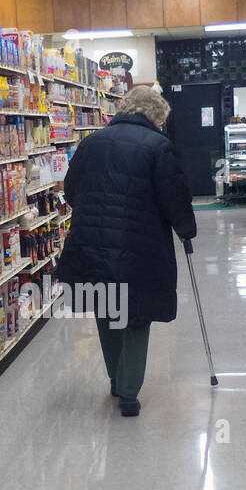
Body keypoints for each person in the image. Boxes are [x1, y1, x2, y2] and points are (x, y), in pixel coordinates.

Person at [55, 85, 197, 417]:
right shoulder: (159, 146)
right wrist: (186, 231)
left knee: (107, 311)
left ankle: (116, 382)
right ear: (155, 115)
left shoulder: (90, 143)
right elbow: (174, 197)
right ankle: (129, 395)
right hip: (140, 248)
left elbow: (72, 191)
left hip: (92, 244)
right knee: (136, 316)